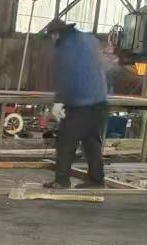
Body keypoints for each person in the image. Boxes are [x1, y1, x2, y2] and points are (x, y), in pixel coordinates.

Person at [44, 19, 108, 189]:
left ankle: (62, 181)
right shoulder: (90, 39)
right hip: (100, 100)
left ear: (56, 34)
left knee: (65, 142)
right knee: (92, 142)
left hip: (80, 103)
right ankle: (96, 180)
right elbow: (102, 66)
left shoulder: (65, 47)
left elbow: (66, 75)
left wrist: (59, 101)